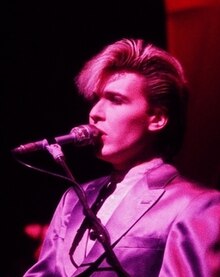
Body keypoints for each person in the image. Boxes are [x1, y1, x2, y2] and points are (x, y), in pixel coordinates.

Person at [22, 38, 220, 277]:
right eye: (96, 100)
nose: (95, 113)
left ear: (157, 118)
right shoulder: (72, 200)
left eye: (116, 100)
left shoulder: (198, 205)